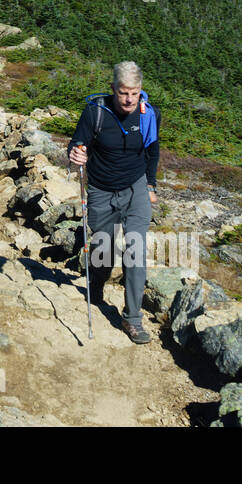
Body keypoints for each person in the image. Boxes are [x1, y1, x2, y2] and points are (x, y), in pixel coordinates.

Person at [67, 61, 161, 344]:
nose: (129, 99)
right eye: (123, 93)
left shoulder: (148, 115)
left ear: (141, 90)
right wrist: (75, 155)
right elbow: (77, 145)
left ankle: (132, 319)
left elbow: (153, 151)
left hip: (134, 189)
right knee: (104, 246)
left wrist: (151, 185)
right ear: (113, 90)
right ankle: (96, 284)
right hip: (100, 189)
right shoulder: (95, 112)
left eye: (134, 92)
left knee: (136, 249)